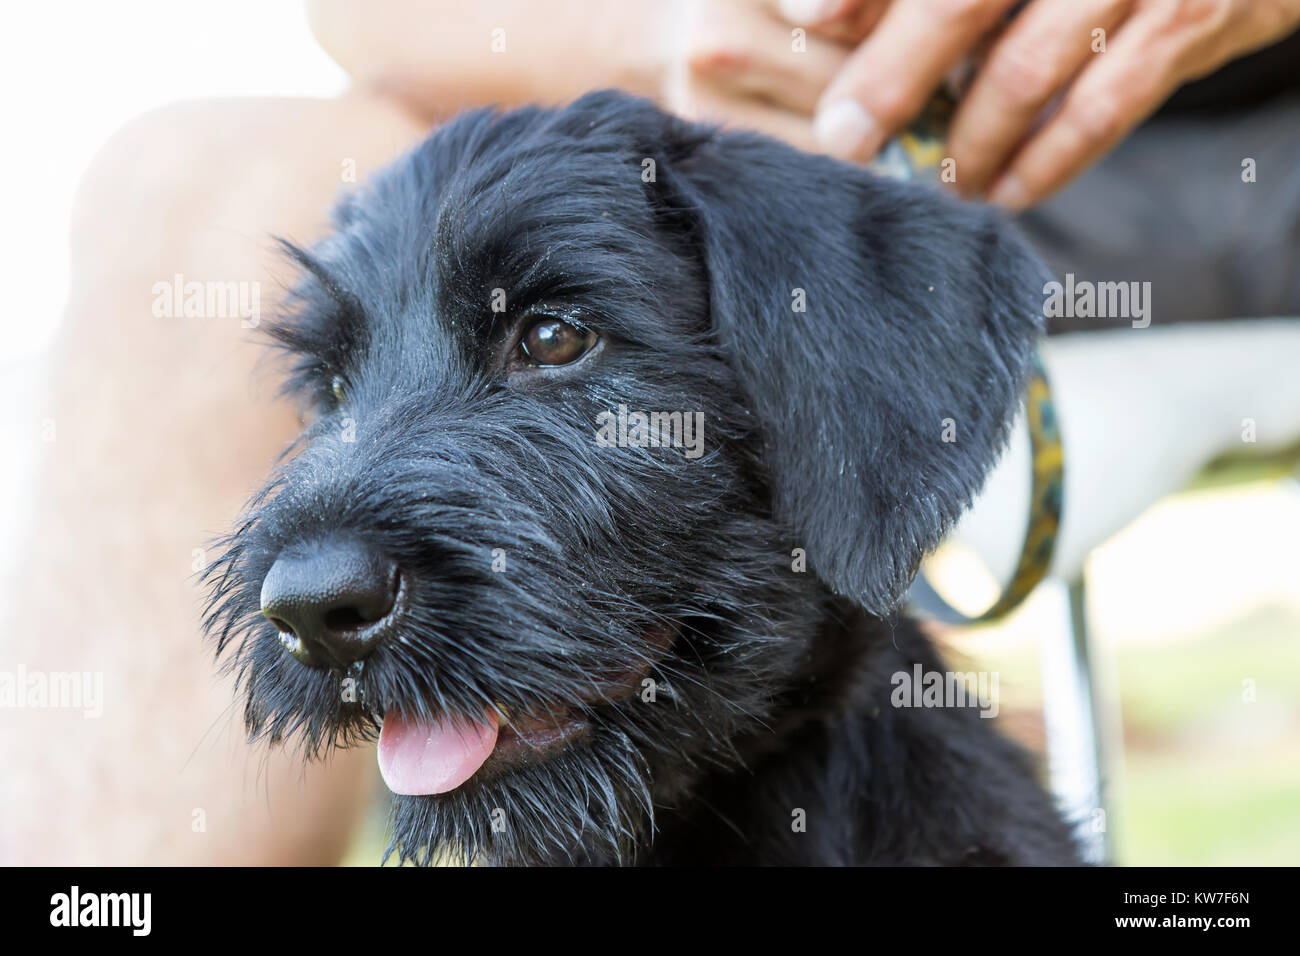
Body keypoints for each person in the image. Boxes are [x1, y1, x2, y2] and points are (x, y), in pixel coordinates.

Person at [5, 0, 1297, 864]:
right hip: (785, 151)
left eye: (554, 344)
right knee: (185, 164)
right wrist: (661, 26)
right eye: (334, 391)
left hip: (1238, 137)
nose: (319, 576)